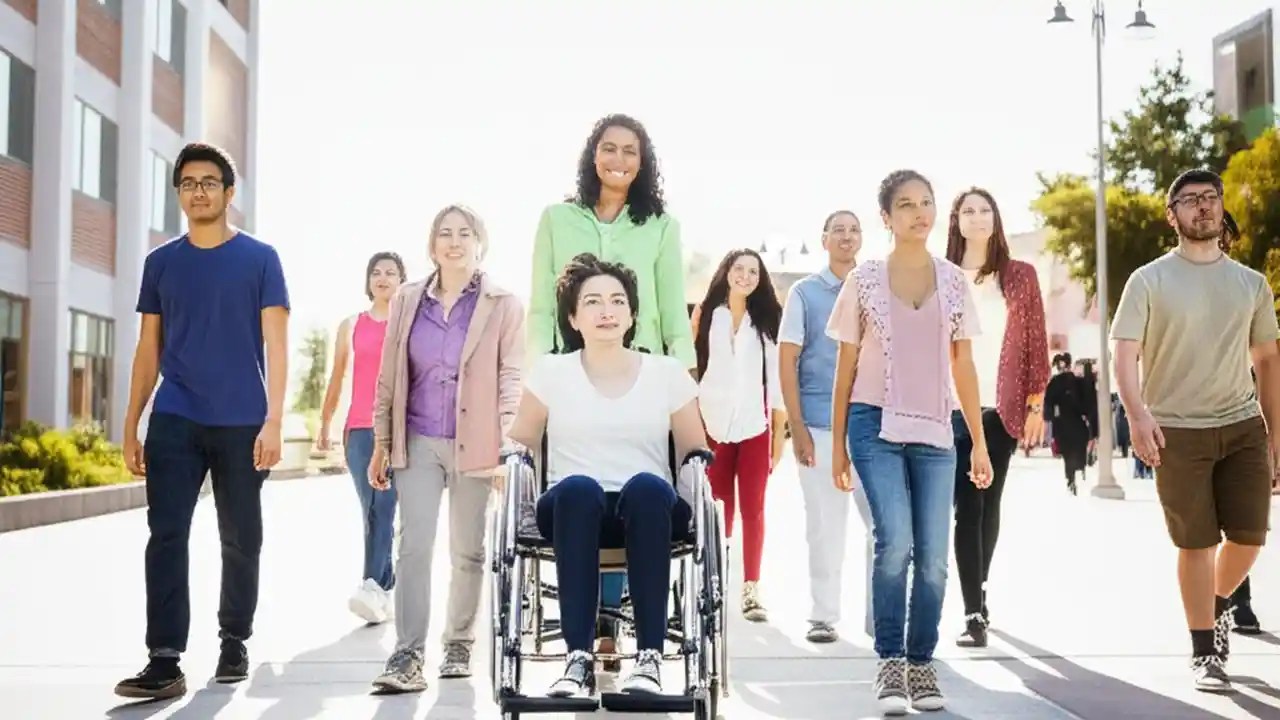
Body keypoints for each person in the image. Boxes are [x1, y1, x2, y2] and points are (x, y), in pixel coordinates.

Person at [113, 143, 289, 699]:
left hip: (242, 418)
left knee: (241, 537)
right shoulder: (161, 263)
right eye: (188, 183)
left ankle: (234, 637)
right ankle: (164, 659)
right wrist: (131, 421)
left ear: (229, 193)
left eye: (209, 182)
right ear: (179, 194)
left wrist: (275, 421)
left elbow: (277, 346)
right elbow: (148, 349)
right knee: (165, 535)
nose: (198, 191)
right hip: (176, 413)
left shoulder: (261, 258)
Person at [527, 114, 695, 658]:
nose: (619, 159)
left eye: (631, 151)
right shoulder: (557, 219)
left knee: (642, 484)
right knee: (580, 484)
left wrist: (681, 385)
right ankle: (592, 632)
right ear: (592, 155)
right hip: (572, 376)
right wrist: (545, 373)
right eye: (609, 148)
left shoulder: (661, 227)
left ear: (643, 163)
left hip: (644, 375)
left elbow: (672, 311)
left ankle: (621, 625)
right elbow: (538, 306)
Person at [828, 169, 991, 714]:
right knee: (893, 542)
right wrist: (836, 449)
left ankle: (922, 664)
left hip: (936, 429)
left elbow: (963, 364)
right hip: (872, 424)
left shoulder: (952, 280)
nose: (919, 212)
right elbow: (845, 366)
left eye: (926, 203)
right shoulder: (865, 280)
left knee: (935, 558)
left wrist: (981, 444)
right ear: (886, 217)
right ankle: (890, 663)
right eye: (906, 204)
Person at [1112, 168, 1280, 693]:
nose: (1203, 207)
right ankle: (1205, 649)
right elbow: (1124, 353)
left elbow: (1268, 360)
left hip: (1242, 424)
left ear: (1221, 206)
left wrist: (1275, 433)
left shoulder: (1251, 283)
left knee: (1251, 538)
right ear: (1173, 215)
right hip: (1176, 431)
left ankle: (1214, 602)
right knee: (1196, 544)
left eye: (1211, 198)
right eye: (1190, 201)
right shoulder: (1148, 280)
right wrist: (1138, 414)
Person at [509, 253, 707, 698]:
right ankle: (577, 659)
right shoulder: (552, 372)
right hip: (571, 509)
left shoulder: (666, 373)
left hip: (649, 509)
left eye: (617, 301)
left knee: (648, 487)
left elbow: (695, 450)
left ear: (632, 314)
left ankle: (650, 658)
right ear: (574, 317)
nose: (606, 311)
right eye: (593, 302)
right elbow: (520, 445)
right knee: (578, 488)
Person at [369, 205, 524, 693]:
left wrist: (506, 444)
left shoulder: (503, 303)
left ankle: (458, 643)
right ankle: (407, 655)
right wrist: (381, 442)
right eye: (444, 233)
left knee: (467, 550)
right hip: (417, 438)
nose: (454, 241)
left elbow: (511, 376)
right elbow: (390, 375)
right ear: (431, 244)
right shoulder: (408, 300)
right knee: (412, 545)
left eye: (464, 233)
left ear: (481, 242)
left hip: (477, 443)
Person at [944, 188, 1050, 648]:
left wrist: (1034, 405)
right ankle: (973, 611)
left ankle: (978, 598)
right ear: (957, 221)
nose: (978, 217)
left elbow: (1035, 345)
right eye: (968, 210)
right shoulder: (941, 276)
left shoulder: (1020, 276)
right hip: (948, 408)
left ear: (996, 219)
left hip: (1001, 407)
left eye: (985, 210)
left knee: (989, 504)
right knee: (967, 506)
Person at [779, 210, 875, 643]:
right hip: (818, 426)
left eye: (854, 230)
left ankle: (882, 620)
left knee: (884, 527)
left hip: (872, 427)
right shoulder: (805, 293)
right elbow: (787, 360)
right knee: (825, 525)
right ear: (824, 240)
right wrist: (795, 426)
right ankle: (823, 615)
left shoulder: (877, 285)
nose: (847, 237)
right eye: (838, 230)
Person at [691, 249, 786, 622]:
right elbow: (690, 368)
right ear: (726, 271)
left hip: (753, 425)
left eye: (753, 272)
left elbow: (776, 380)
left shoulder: (765, 319)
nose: (745, 276)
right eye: (739, 269)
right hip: (711, 424)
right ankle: (716, 581)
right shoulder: (705, 314)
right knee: (717, 508)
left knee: (754, 507)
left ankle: (751, 588)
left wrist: (779, 435)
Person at [317, 252, 407, 625]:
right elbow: (337, 377)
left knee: (384, 506)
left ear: (402, 281)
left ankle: (372, 586)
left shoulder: (408, 324)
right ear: (368, 280)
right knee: (370, 509)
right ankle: (383, 589)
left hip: (398, 428)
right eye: (376, 272)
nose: (383, 278)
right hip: (358, 429)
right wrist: (324, 424)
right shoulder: (351, 325)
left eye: (391, 272)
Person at [1043, 353, 1091, 495]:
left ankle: (1071, 477)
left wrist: (1049, 419)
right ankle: (1078, 471)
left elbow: (1048, 404)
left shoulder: (1055, 382)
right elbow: (1087, 401)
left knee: (1067, 452)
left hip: (1062, 422)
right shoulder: (1078, 381)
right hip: (1076, 421)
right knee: (1076, 448)